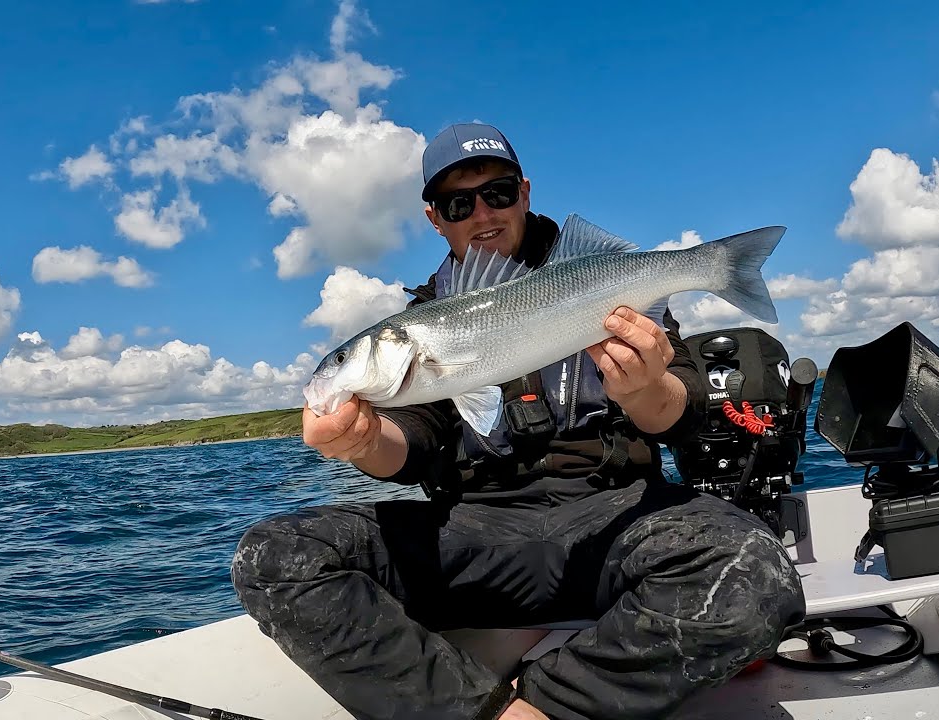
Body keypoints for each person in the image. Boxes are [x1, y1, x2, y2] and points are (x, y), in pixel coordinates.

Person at [231, 123, 805, 720]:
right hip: (478, 531)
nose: (482, 213)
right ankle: (487, 714)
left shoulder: (600, 279)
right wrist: (366, 441)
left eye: (498, 193)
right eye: (459, 203)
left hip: (611, 520)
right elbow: (418, 443)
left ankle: (540, 708)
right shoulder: (425, 319)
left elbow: (680, 411)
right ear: (435, 218)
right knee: (274, 556)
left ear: (525, 192)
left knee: (755, 571)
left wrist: (646, 389)